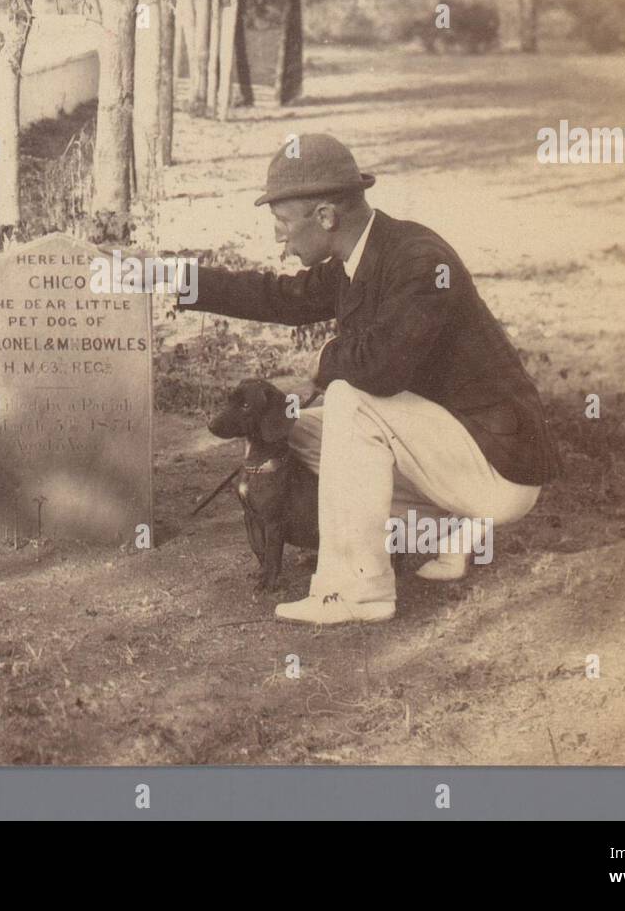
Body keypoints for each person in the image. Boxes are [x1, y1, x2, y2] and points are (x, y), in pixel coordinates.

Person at [181, 133, 561, 625]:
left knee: (349, 401)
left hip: (497, 469)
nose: (279, 237)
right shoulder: (361, 258)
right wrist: (166, 278)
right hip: (447, 458)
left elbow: (379, 371)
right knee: (290, 427)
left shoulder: (420, 261)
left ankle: (358, 590)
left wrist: (325, 357)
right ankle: (440, 531)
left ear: (325, 216)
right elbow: (276, 297)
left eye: (282, 223)